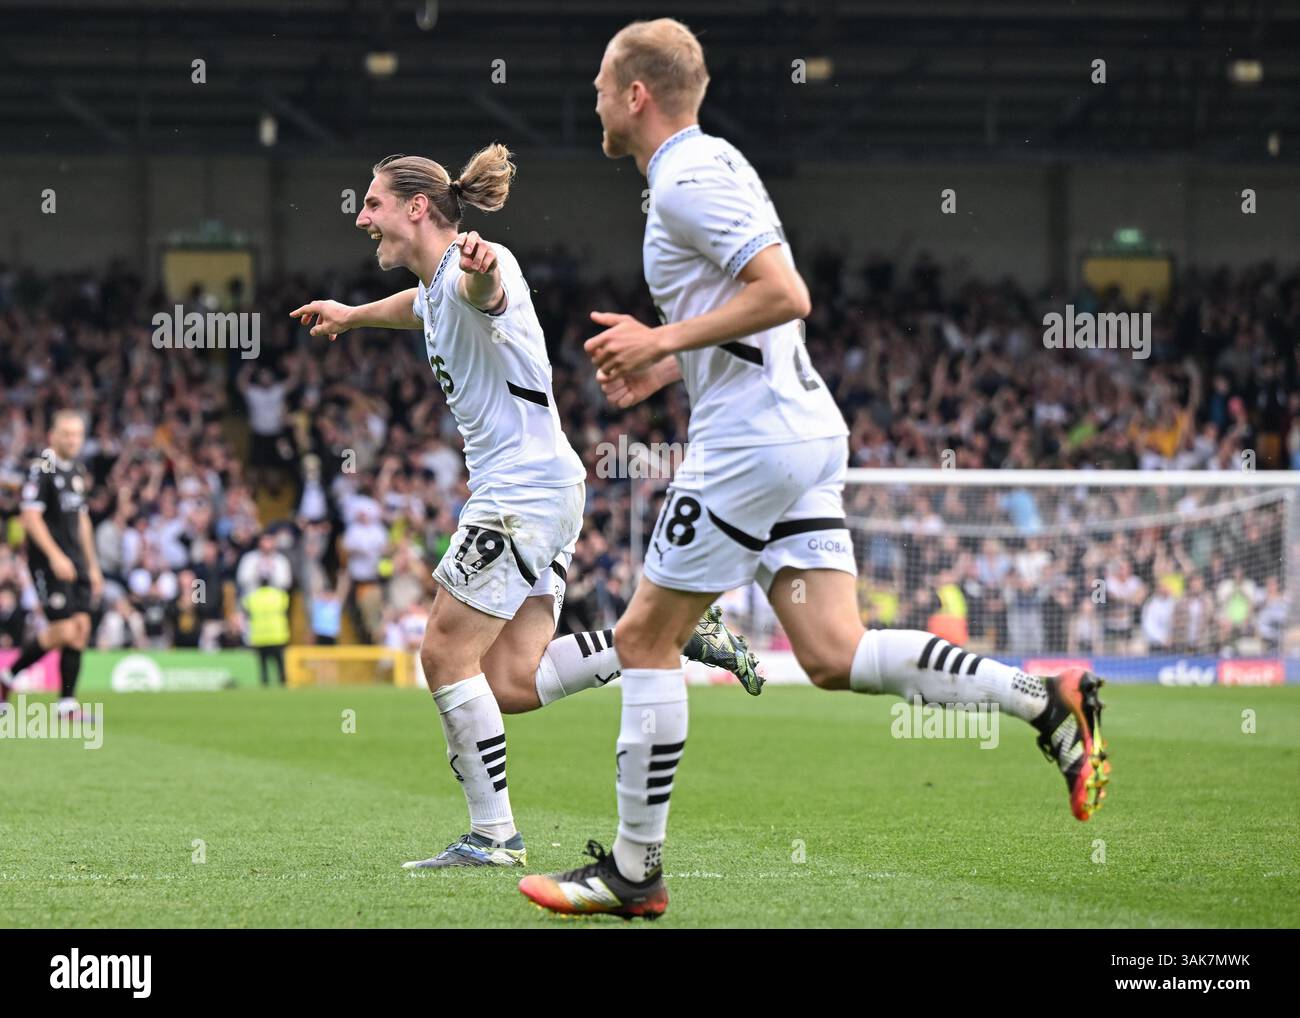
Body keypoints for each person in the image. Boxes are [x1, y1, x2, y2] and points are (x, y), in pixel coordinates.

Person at [520, 18, 1110, 920]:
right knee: (835, 654)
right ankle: (1044, 698)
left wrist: (661, 337)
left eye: (602, 84)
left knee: (644, 640)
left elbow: (786, 293)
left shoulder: (683, 181)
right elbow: (759, 314)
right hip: (797, 431)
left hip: (750, 445)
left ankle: (635, 873)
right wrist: (670, 362)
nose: (593, 100)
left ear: (636, 94)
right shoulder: (711, 166)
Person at [290, 144, 758, 870]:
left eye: (373, 202)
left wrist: (480, 275)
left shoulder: (480, 266)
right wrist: (353, 315)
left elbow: (487, 291)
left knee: (444, 651)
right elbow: (421, 305)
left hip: (521, 491)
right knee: (511, 681)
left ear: (417, 208)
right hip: (543, 488)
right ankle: (666, 633)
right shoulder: (437, 284)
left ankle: (494, 836)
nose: (362, 216)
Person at [0, 410, 102, 720]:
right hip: (48, 562)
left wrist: (93, 565)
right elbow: (30, 518)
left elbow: (82, 519)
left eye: (77, 434)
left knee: (81, 629)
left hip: (78, 562)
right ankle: (8, 676)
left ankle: (66, 704)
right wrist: (56, 555)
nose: (72, 440)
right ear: (53, 436)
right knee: (65, 628)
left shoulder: (77, 471)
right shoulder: (42, 467)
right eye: (66, 434)